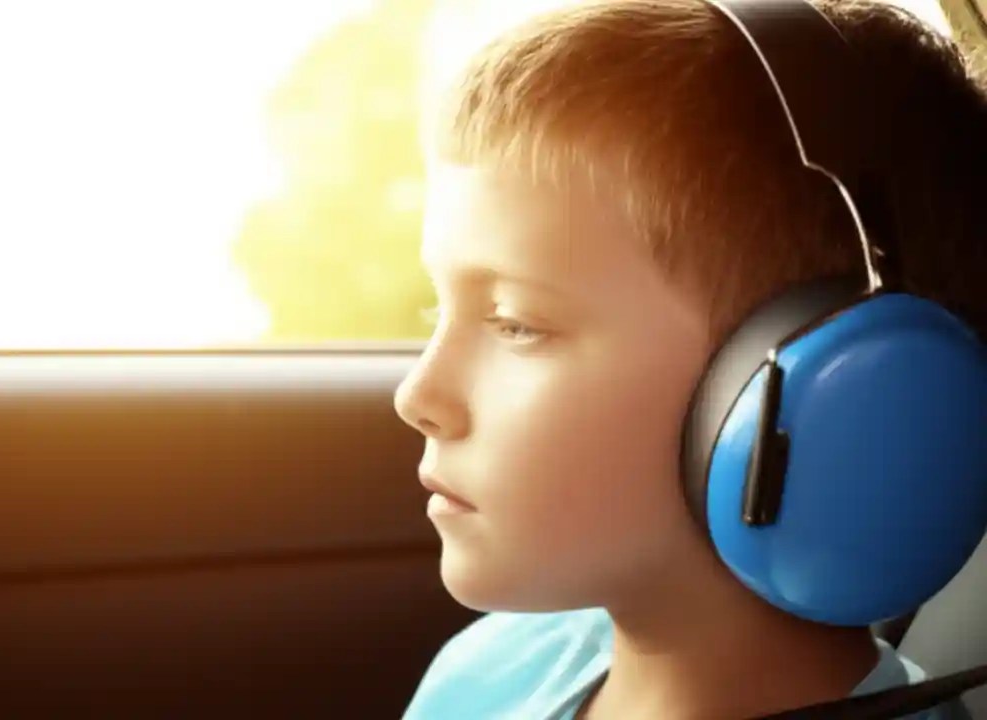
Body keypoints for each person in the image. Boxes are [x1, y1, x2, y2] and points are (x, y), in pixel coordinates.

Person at [392, 0, 987, 717]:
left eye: (516, 324)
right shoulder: (494, 670)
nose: (417, 394)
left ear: (844, 397)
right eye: (438, 310)